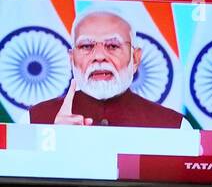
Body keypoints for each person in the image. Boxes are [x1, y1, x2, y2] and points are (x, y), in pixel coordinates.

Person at [28, 10, 184, 128]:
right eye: (86, 46)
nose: (99, 56)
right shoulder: (33, 120)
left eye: (113, 46)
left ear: (135, 59)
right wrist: (52, 140)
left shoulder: (174, 126)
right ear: (71, 59)